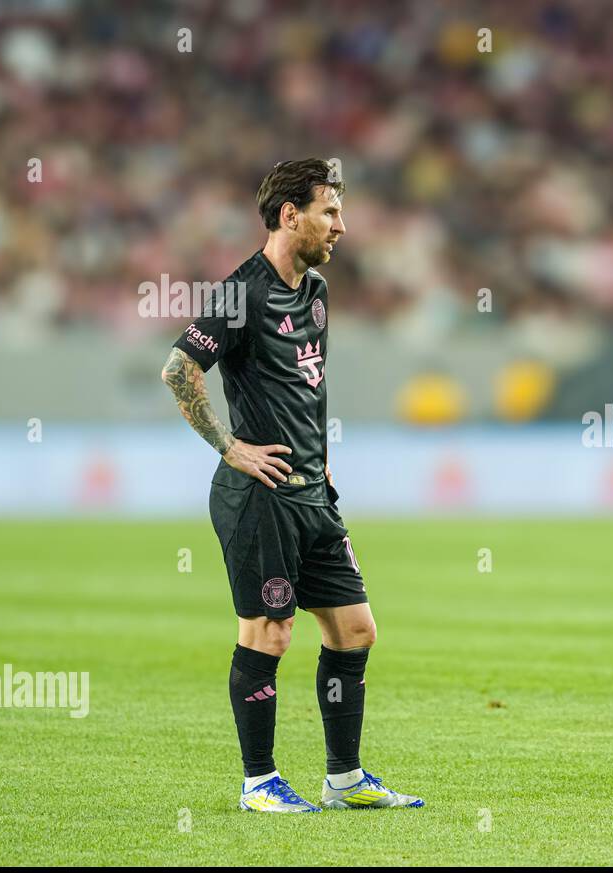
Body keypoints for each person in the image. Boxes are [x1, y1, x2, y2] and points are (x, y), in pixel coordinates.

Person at [160, 159, 424, 812]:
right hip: (260, 495)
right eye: (330, 212)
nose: (343, 225)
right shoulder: (239, 294)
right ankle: (258, 783)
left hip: (312, 492)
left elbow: (310, 391)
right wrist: (229, 448)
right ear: (290, 216)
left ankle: (344, 779)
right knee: (269, 633)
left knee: (355, 630)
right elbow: (178, 370)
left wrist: (324, 464)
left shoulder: (316, 292)